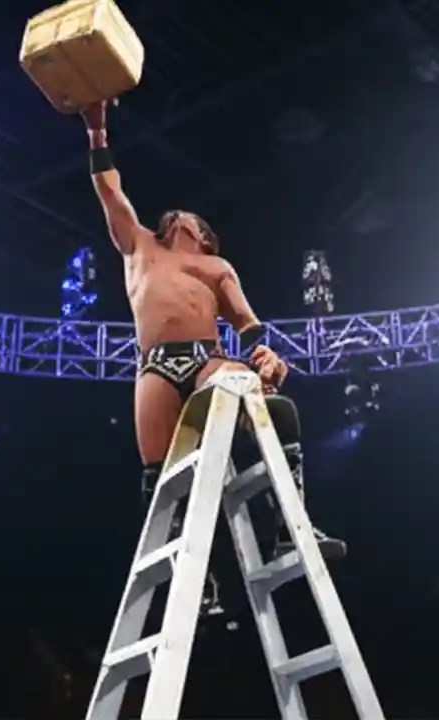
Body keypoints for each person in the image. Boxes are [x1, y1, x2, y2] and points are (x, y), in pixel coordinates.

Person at [80, 100, 346, 612]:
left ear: (203, 235)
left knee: (278, 411)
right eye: (175, 215)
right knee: (158, 479)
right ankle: (189, 584)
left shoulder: (216, 266)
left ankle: (292, 529)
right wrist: (97, 129)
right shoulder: (138, 246)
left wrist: (265, 356)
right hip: (154, 364)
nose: (179, 216)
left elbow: (248, 324)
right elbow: (109, 191)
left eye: (191, 219)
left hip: (208, 359)